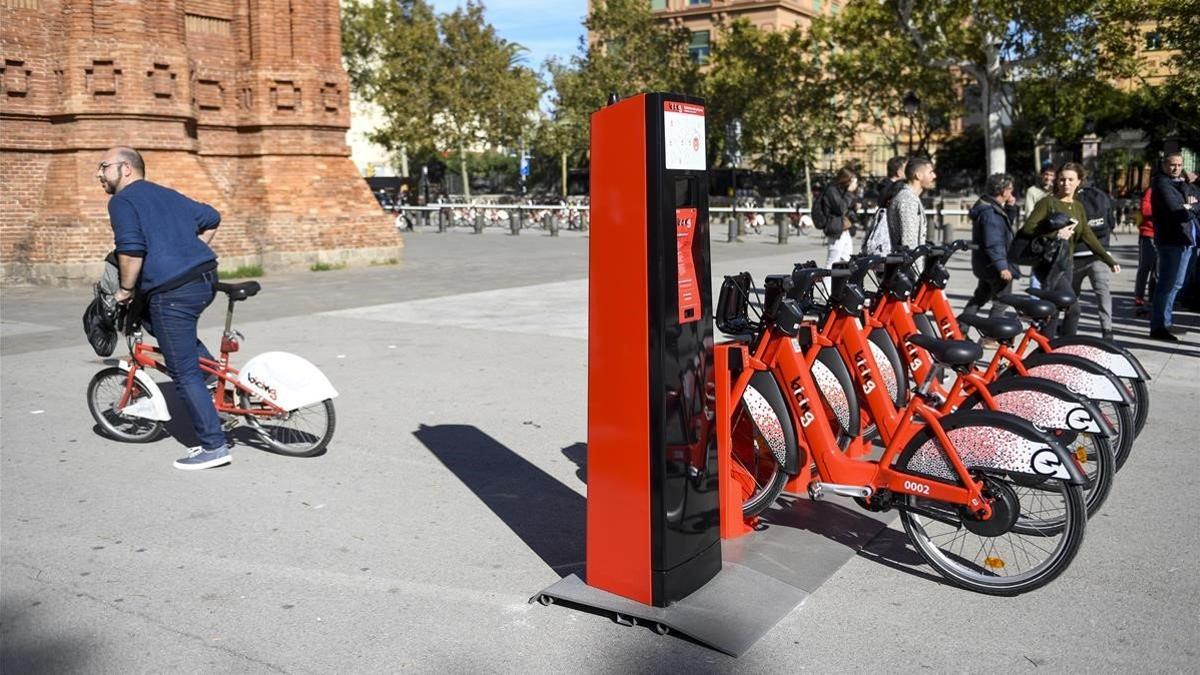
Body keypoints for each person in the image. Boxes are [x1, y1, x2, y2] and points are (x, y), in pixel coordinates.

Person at [98, 146, 231, 470]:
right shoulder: (165, 194)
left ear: (125, 168)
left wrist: (125, 291)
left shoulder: (122, 201)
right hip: (204, 279)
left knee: (182, 370)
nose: (99, 174)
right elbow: (211, 217)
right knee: (156, 321)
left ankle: (214, 446)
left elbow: (131, 250)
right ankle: (211, 375)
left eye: (104, 167)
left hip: (174, 292)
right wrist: (192, 252)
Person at [1020, 162, 1120, 337]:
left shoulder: (1077, 206)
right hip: (1049, 264)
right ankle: (1054, 348)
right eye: (1062, 179)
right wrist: (1055, 233)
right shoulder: (1048, 202)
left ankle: (1052, 349)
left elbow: (1088, 236)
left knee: (1058, 308)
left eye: (1070, 180)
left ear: (1079, 182)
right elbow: (1028, 228)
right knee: (1072, 308)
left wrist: (1108, 260)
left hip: (1066, 263)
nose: (1065, 183)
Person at [1148, 152, 1200, 341]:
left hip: (1186, 240)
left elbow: (1195, 204)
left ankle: (1166, 321)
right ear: (1164, 165)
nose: (1176, 168)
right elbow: (1176, 210)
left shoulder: (1182, 184)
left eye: (1179, 165)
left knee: (1177, 284)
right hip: (1172, 241)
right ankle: (1158, 326)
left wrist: (1191, 206)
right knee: (1167, 285)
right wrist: (1190, 206)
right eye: (1172, 165)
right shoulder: (1162, 185)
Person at [963, 173, 1019, 317]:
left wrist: (1011, 208)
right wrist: (1002, 266)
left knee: (980, 298)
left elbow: (1004, 227)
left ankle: (961, 328)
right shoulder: (990, 213)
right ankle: (991, 336)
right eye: (1010, 189)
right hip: (995, 266)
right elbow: (994, 242)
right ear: (1004, 191)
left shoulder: (988, 207)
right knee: (1001, 302)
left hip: (986, 264)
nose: (1011, 193)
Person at [1075, 182, 1119, 341]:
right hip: (1099, 253)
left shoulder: (1071, 198)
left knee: (1072, 295)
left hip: (1076, 254)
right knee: (1103, 293)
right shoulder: (1102, 196)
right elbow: (1111, 223)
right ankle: (1107, 329)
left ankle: (1069, 326)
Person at [888, 156, 935, 250]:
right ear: (918, 175)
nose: (934, 176)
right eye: (930, 172)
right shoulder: (907, 200)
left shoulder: (909, 197)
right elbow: (909, 244)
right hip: (909, 263)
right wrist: (916, 264)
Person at [816, 168, 860, 268]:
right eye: (852, 181)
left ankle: (842, 283)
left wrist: (855, 204)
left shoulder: (842, 191)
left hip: (844, 229)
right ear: (845, 179)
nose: (853, 184)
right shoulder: (832, 190)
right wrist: (849, 192)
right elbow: (841, 209)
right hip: (835, 229)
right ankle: (827, 283)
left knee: (847, 258)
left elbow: (846, 206)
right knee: (833, 260)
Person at [1134, 187, 1157, 313]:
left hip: (1164, 236)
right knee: (1144, 267)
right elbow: (1145, 209)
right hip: (1148, 234)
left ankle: (1153, 299)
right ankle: (1139, 297)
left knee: (1157, 270)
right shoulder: (1151, 190)